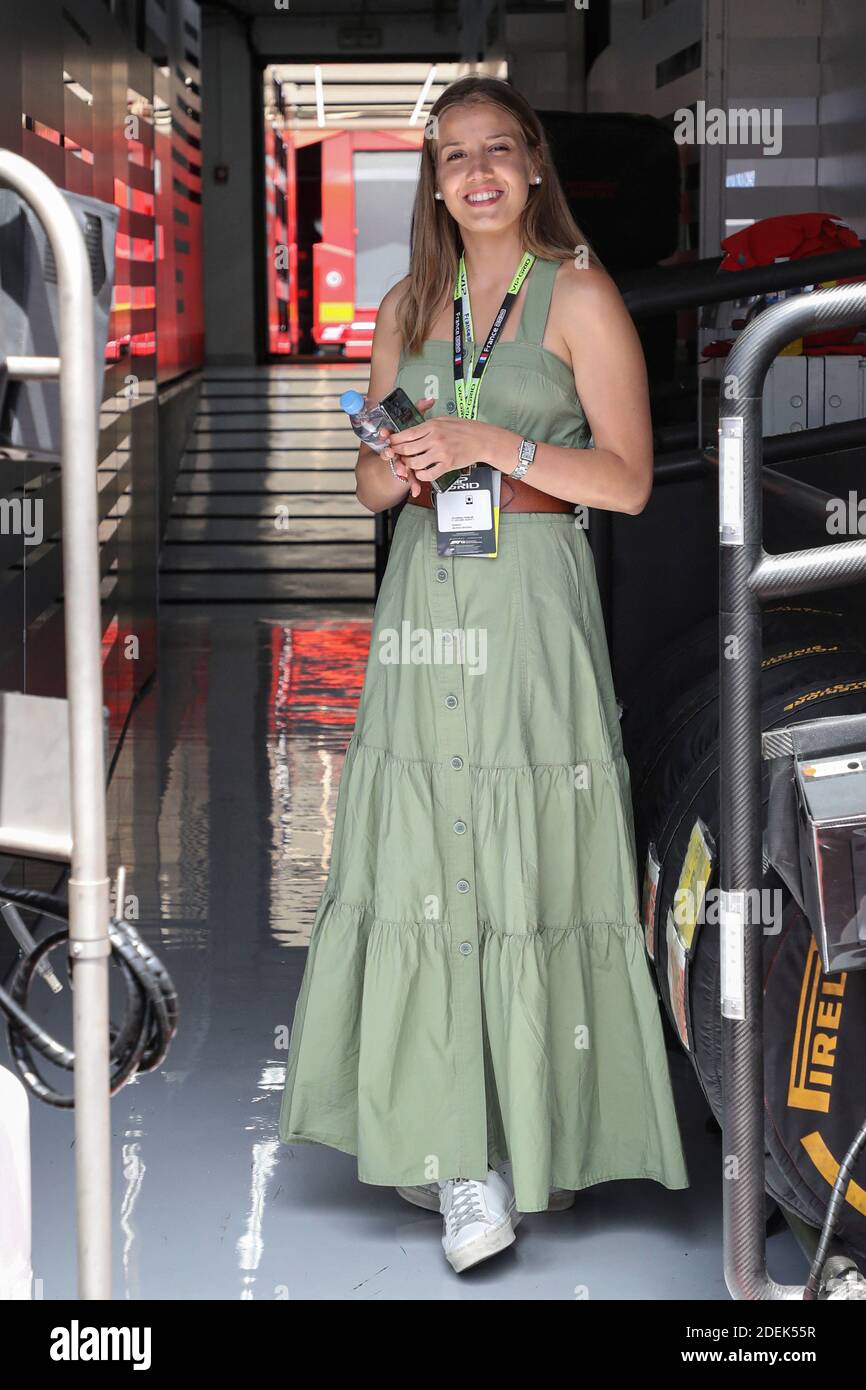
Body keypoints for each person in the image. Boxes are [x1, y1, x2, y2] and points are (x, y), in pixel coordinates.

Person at [278, 73, 689, 1276]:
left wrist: (490, 442)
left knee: (517, 853)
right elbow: (362, 481)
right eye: (453, 155)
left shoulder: (579, 295)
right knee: (426, 862)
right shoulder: (407, 301)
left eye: (497, 150)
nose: (476, 172)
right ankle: (454, 1150)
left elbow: (622, 480)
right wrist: (399, 465)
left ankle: (526, 1133)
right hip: (424, 598)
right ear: (436, 180)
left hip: (527, 604)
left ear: (530, 165)